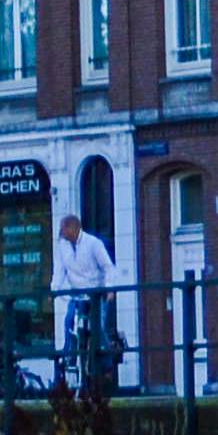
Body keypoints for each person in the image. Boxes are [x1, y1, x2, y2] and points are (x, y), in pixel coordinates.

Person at [56, 160, 130, 400]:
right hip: (77, 293)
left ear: (73, 228)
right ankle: (69, 359)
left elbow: (109, 267)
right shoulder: (63, 246)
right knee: (69, 323)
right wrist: (55, 289)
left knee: (97, 330)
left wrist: (110, 290)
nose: (61, 234)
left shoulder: (93, 244)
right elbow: (60, 271)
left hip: (95, 293)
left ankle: (106, 363)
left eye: (63, 230)